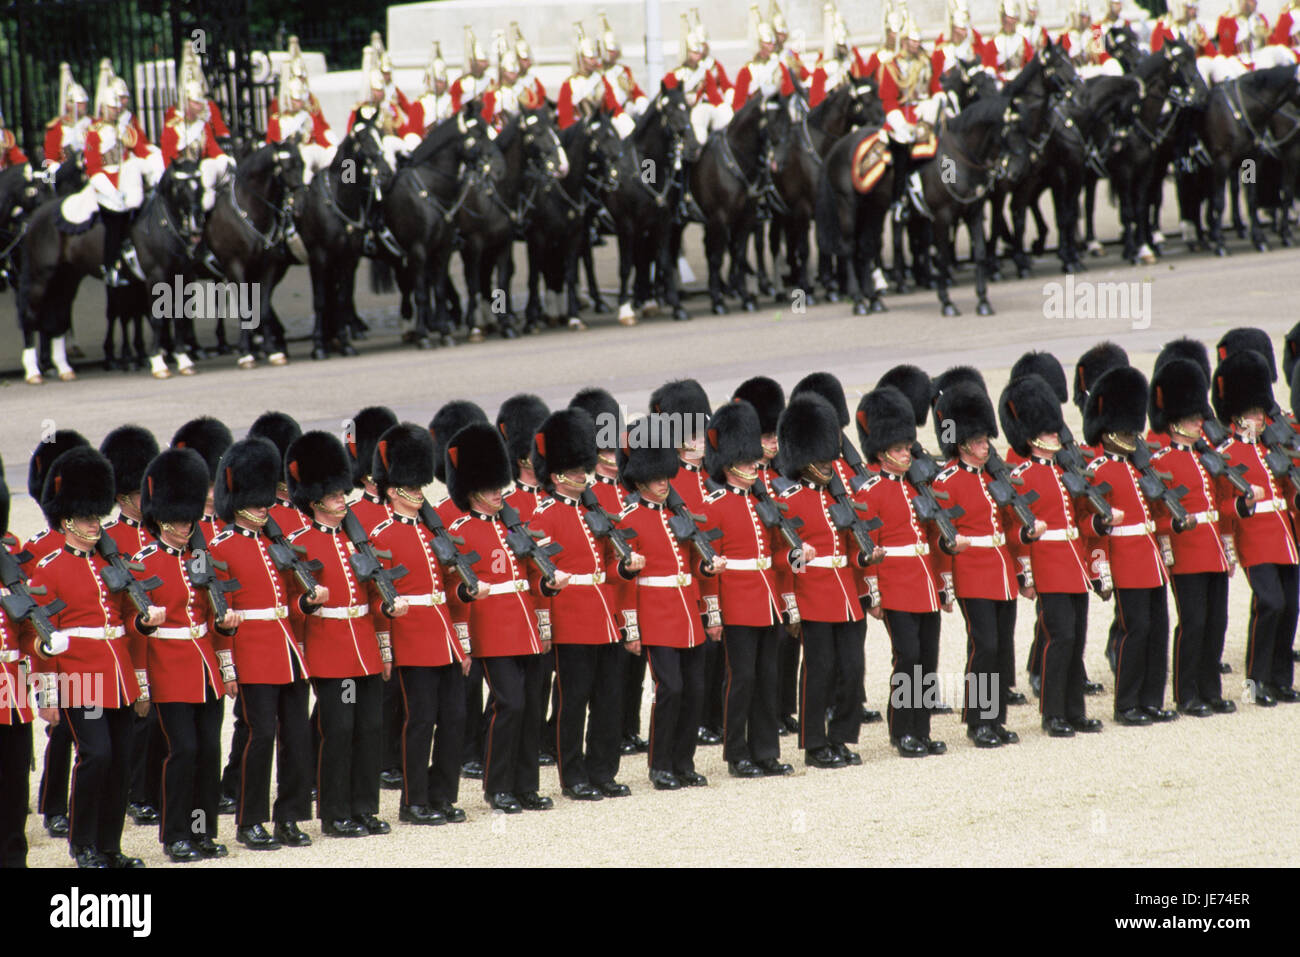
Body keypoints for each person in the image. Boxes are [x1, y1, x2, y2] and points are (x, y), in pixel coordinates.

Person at [26, 447, 147, 868]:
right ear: (66, 520)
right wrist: (46, 693)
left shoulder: (110, 562)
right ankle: (83, 845)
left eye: (97, 516)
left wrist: (144, 625)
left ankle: (110, 846)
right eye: (87, 517)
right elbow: (38, 635)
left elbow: (129, 620)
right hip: (81, 676)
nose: (95, 523)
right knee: (96, 755)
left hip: (118, 674)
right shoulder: (50, 568)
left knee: (119, 761)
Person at [284, 431, 406, 836]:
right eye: (335, 496)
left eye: (342, 494)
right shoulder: (300, 545)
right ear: (316, 500)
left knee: (370, 729)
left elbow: (374, 598)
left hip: (364, 648)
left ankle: (363, 807)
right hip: (331, 649)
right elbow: (292, 607)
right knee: (339, 730)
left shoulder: (359, 543)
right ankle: (335, 812)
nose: (342, 500)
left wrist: (385, 643)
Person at [444, 422, 568, 812]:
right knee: (509, 705)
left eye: (500, 486)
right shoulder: (460, 530)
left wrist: (550, 585)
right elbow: (454, 591)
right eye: (492, 488)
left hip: (526, 627)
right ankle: (497, 786)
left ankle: (525, 785)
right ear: (473, 490)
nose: (500, 493)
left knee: (531, 706)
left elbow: (531, 577)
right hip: (492, 631)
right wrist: (465, 637)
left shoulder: (512, 524)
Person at [529, 409, 643, 799]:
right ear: (557, 471)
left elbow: (608, 571)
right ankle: (573, 775)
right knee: (573, 702)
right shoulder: (544, 515)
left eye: (583, 467)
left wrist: (625, 569)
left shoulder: (595, 511)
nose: (582, 474)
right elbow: (539, 578)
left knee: (609, 700)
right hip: (571, 618)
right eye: (575, 469)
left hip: (605, 616)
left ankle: (603, 770)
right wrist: (546, 626)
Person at [208, 438, 314, 851]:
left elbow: (285, 600)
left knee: (296, 736)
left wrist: (305, 601)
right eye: (254, 501)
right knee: (260, 735)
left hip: (285, 649)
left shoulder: (276, 543)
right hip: (251, 652)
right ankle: (250, 820)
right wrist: (228, 666)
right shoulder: (220, 548)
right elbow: (219, 612)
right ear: (237, 501)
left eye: (264, 499)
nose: (263, 507)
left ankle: (290, 815)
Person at [368, 423, 476, 824]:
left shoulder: (434, 532)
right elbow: (376, 598)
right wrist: (386, 648)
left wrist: (462, 625)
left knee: (454, 719)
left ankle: (442, 795)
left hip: (443, 636)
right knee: (421, 722)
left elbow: (448, 588)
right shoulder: (381, 537)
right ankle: (413, 801)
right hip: (411, 639)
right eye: (413, 489)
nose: (420, 494)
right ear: (394, 491)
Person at [129, 448, 233, 863]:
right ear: (160, 519)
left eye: (188, 519)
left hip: (205, 667)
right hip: (168, 670)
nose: (185, 527)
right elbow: (135, 633)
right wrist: (141, 682)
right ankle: (175, 836)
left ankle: (201, 831)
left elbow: (214, 617)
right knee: (183, 751)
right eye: (176, 520)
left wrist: (227, 643)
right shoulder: (142, 563)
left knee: (209, 752)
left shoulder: (202, 559)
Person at [930, 381, 1038, 748]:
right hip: (971, 572)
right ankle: (977, 721)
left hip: (1001, 570)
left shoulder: (996, 478)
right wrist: (946, 582)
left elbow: (1008, 528)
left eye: (985, 441)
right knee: (984, 645)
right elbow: (941, 538)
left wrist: (1025, 545)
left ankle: (996, 718)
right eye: (977, 442)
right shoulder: (945, 482)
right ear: (961, 445)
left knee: (1002, 647)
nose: (984, 446)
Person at [998, 375, 1106, 738]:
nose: (1056, 435)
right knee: (1058, 638)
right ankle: (1052, 712)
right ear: (1032, 437)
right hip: (1048, 565)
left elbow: (1078, 522)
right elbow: (1015, 533)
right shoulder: (1022, 476)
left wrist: (1099, 523)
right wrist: (1027, 574)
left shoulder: (1065, 472)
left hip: (1073, 564)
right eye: (1048, 432)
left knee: (1076, 638)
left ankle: (1075, 710)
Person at [774, 395, 877, 768]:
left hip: (847, 594)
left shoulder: (840, 496)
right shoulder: (789, 501)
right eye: (819, 460)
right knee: (819, 671)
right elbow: (777, 557)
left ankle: (842, 737)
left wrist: (865, 561)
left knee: (852, 669)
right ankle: (814, 743)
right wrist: (799, 561)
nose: (827, 466)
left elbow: (850, 546)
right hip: (814, 594)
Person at [701, 400, 802, 777]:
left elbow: (776, 558)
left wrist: (797, 557)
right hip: (737, 603)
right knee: (740, 680)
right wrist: (713, 613)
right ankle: (736, 753)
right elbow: (710, 566)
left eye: (752, 462)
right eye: (745, 463)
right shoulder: (715, 505)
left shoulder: (766, 501)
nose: (752, 467)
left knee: (767, 678)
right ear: (728, 464)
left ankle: (766, 750)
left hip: (766, 601)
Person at [616, 438, 723, 789]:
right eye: (657, 477)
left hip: (687, 613)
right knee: (670, 688)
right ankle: (659, 765)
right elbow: (627, 580)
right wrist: (631, 627)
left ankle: (683, 762)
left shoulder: (680, 516)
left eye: (666, 476)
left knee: (694, 688)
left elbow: (693, 566)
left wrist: (708, 570)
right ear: (642, 480)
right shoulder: (629, 519)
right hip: (656, 615)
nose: (664, 482)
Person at [1081, 366, 1179, 726]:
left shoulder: (1140, 467)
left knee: (1157, 629)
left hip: (1150, 558)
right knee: (1134, 630)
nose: (1131, 435)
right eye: (1124, 430)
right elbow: (1092, 529)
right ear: (1107, 433)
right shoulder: (1098, 471)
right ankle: (1126, 704)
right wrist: (1101, 568)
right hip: (1126, 560)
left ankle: (1151, 699)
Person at [855, 387, 947, 757]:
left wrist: (943, 583)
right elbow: (869, 547)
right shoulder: (871, 491)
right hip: (895, 584)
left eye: (908, 448)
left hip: (923, 582)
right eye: (899, 449)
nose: (906, 454)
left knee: (927, 658)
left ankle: (921, 728)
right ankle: (901, 729)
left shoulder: (916, 487)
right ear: (881, 452)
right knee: (906, 656)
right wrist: (873, 594)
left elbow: (932, 538)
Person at [1147, 358, 1239, 716]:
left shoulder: (1206, 457)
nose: (1200, 422)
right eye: (1192, 418)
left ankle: (1209, 688)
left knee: (1217, 621)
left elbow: (1219, 506)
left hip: (1213, 547)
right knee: (1194, 621)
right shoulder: (1162, 461)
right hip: (1186, 550)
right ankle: (1186, 693)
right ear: (1175, 422)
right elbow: (1158, 516)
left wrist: (1231, 541)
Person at [1210, 350, 1300, 705]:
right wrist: (1242, 507)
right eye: (1252, 413)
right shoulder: (1227, 453)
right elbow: (1219, 503)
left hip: (1283, 537)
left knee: (1290, 605)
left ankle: (1280, 679)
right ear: (1236, 416)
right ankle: (1256, 679)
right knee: (1270, 602)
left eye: (1260, 412)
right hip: (1255, 537)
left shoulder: (1271, 449)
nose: (1258, 418)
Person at [20, 431, 90, 839]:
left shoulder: (93, 545)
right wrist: (44, 687)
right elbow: (34, 618)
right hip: (53, 653)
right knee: (60, 729)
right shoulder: (36, 552)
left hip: (90, 655)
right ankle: (52, 803)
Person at [99, 425, 162, 829]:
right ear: (124, 497)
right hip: (127, 640)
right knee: (130, 724)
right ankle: (130, 795)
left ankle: (147, 791)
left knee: (156, 723)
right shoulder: (111, 538)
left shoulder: (162, 532)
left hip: (161, 639)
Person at [83, 60, 151, 288]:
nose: (117, 110)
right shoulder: (94, 134)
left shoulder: (124, 128)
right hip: (106, 185)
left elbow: (138, 150)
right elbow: (93, 167)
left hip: (127, 183)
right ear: (103, 107)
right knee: (114, 224)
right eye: (112, 107)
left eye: (117, 107)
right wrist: (111, 190)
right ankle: (109, 266)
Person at [0, 468, 36, 867]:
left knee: (15, 779)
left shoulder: (10, 559)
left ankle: (13, 856)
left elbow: (23, 625)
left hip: (14, 686)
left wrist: (37, 641)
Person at [159, 73, 235, 213]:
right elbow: (169, 160)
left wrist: (224, 159)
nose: (200, 106)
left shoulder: (202, 125)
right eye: (196, 102)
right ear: (186, 102)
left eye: (200, 102)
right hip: (183, 173)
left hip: (200, 171)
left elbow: (212, 147)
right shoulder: (172, 128)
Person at [666, 14, 733, 149]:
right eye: (694, 52)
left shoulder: (704, 72)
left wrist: (723, 110)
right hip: (683, 114)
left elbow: (714, 95)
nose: (698, 54)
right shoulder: (674, 75)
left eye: (698, 51)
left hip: (702, 109)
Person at [557, 24, 629, 137]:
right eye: (590, 58)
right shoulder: (568, 85)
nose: (594, 61)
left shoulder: (600, 80)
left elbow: (613, 106)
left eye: (595, 58)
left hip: (602, 129)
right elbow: (565, 120)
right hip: (581, 132)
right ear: (581, 59)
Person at [731, 5, 797, 110]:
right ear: (759, 44)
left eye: (772, 43)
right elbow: (738, 104)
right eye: (767, 43)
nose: (771, 46)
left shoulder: (778, 66)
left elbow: (788, 92)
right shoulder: (746, 71)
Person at [43, 63, 91, 178]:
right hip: (68, 174)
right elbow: (51, 158)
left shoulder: (92, 122)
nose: (83, 106)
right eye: (79, 103)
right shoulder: (57, 127)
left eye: (84, 103)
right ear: (69, 105)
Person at [600, 13, 649, 120]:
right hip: (610, 117)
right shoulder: (599, 74)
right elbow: (609, 102)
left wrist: (641, 102)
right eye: (609, 50)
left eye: (614, 50)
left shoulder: (623, 70)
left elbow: (635, 91)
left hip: (627, 111)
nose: (612, 53)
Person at [408, 42, 455, 136]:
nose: (438, 85)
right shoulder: (420, 102)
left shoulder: (452, 100)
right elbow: (415, 132)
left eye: (441, 81)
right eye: (435, 81)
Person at [451, 26, 493, 111]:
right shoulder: (459, 83)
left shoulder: (490, 81)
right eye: (481, 61)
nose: (484, 64)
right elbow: (454, 106)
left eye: (484, 61)